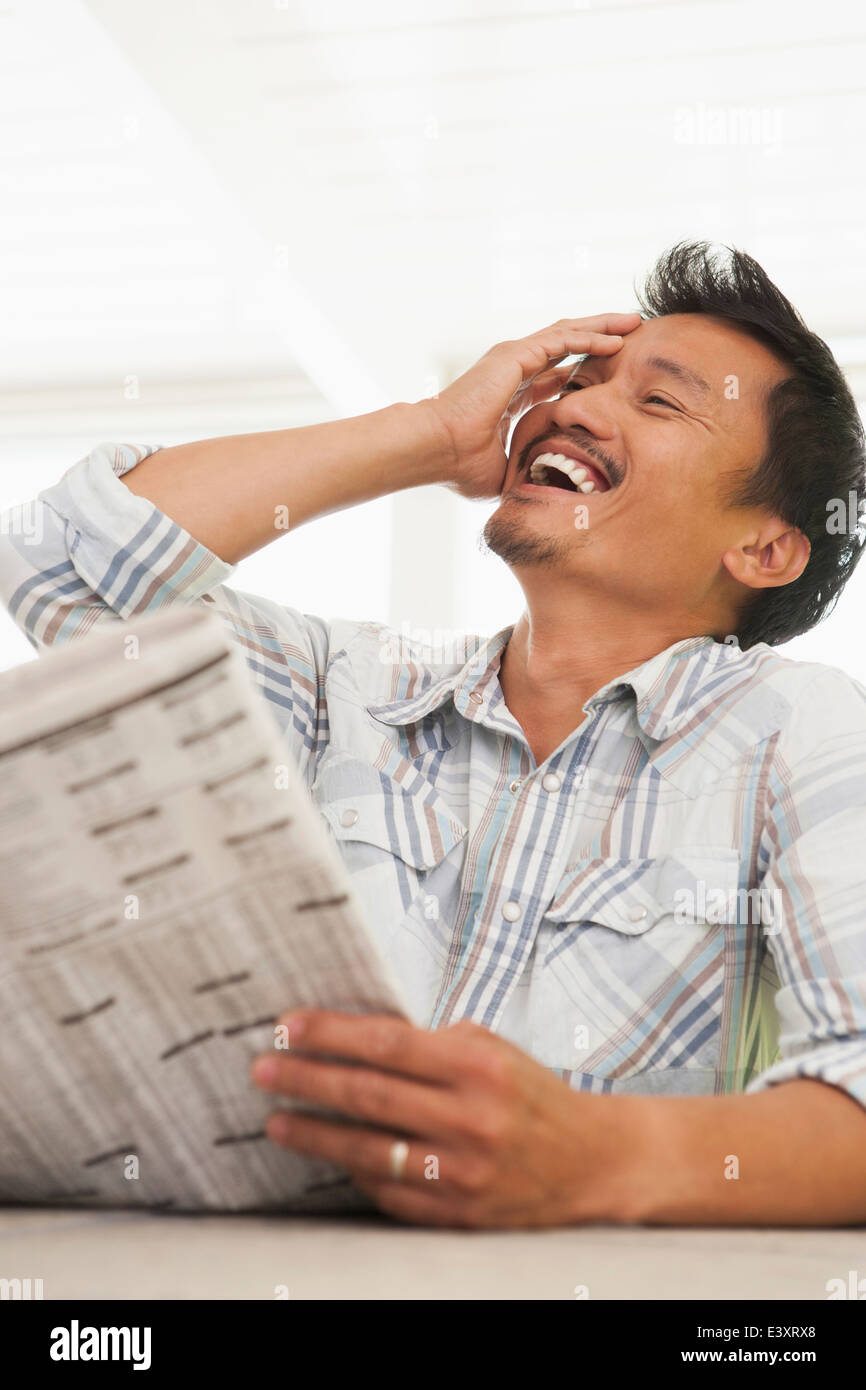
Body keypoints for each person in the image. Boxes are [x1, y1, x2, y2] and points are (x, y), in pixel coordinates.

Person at [4, 239, 866, 1229]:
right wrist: (428, 433)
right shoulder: (346, 686)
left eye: (658, 401)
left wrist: (595, 1156)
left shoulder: (793, 729)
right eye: (579, 380)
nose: (573, 406)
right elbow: (64, 563)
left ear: (761, 546)